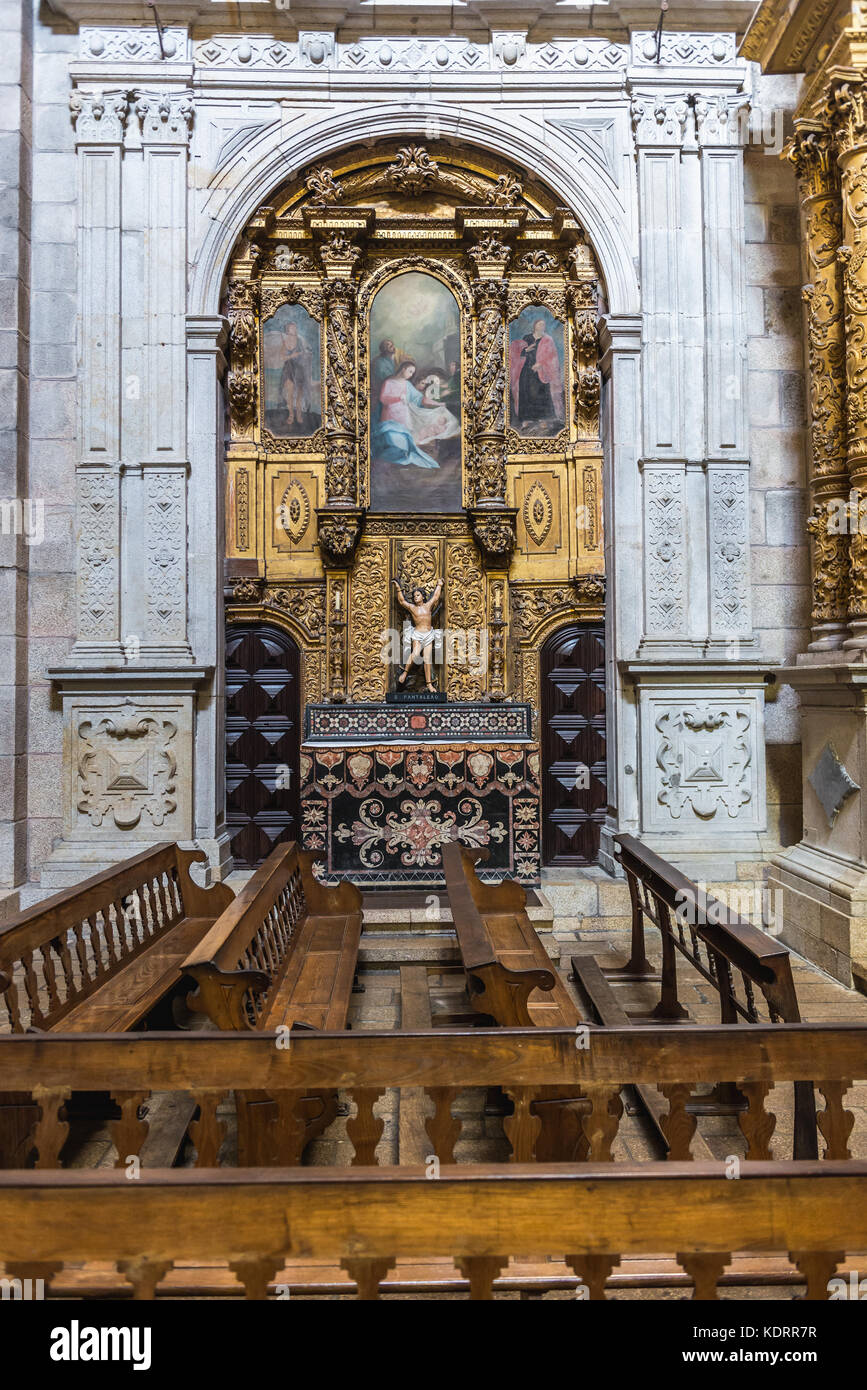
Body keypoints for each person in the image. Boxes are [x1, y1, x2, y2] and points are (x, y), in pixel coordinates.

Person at [373, 360, 459, 470]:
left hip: (403, 418)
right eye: (409, 371)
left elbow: (420, 399)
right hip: (390, 417)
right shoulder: (389, 382)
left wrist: (441, 403)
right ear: (403, 369)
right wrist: (398, 398)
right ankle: (392, 464)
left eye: (412, 373)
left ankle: (400, 464)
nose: (410, 375)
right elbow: (383, 399)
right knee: (392, 441)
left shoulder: (407, 384)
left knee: (405, 443)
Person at [509, 316, 564, 431]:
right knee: (526, 393)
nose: (542, 326)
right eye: (540, 324)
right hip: (527, 370)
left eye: (543, 325)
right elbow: (517, 352)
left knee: (541, 394)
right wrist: (526, 350)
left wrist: (541, 364)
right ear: (534, 326)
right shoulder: (527, 338)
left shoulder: (547, 340)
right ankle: (526, 419)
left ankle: (543, 419)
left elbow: (552, 356)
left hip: (541, 371)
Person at [393, 577, 443, 694]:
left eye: (418, 595)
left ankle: (429, 684)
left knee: (427, 659)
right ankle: (405, 673)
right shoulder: (413, 608)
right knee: (415, 653)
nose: (416, 597)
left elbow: (436, 597)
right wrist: (398, 588)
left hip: (428, 634)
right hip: (417, 634)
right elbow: (402, 602)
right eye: (414, 596)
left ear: (423, 596)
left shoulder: (428, 606)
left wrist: (439, 585)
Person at [279, 321, 314, 428]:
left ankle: (298, 414)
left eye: (295, 328)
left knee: (299, 395)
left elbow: (305, 352)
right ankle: (291, 415)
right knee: (290, 394)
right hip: (289, 369)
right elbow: (282, 358)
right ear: (288, 330)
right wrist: (292, 355)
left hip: (299, 370)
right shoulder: (285, 342)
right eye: (292, 328)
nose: (294, 330)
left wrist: (306, 354)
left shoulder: (300, 340)